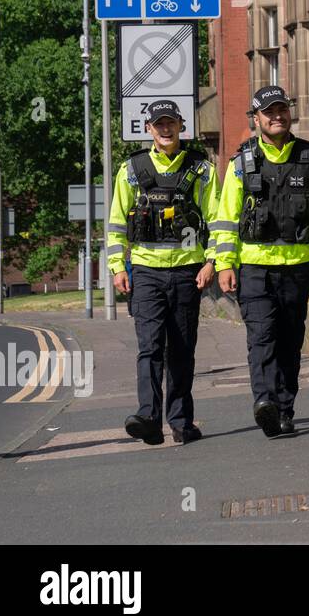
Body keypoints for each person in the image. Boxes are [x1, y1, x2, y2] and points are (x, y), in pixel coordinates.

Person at [213, 86, 309, 438]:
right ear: (256, 119)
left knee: (289, 341)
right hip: (254, 269)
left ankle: (284, 409)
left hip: (296, 269)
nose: (277, 116)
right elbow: (225, 219)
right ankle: (264, 402)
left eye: (282, 109)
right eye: (269, 112)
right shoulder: (241, 164)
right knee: (262, 336)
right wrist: (224, 263)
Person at [108, 100, 219, 446]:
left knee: (182, 350)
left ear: (181, 125)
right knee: (150, 347)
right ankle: (148, 417)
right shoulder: (131, 170)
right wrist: (116, 267)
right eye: (159, 124)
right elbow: (115, 225)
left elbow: (217, 220)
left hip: (187, 272)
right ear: (149, 130)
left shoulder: (201, 169)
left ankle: (181, 422)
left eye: (171, 123)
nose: (165, 129)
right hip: (145, 273)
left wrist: (212, 261)